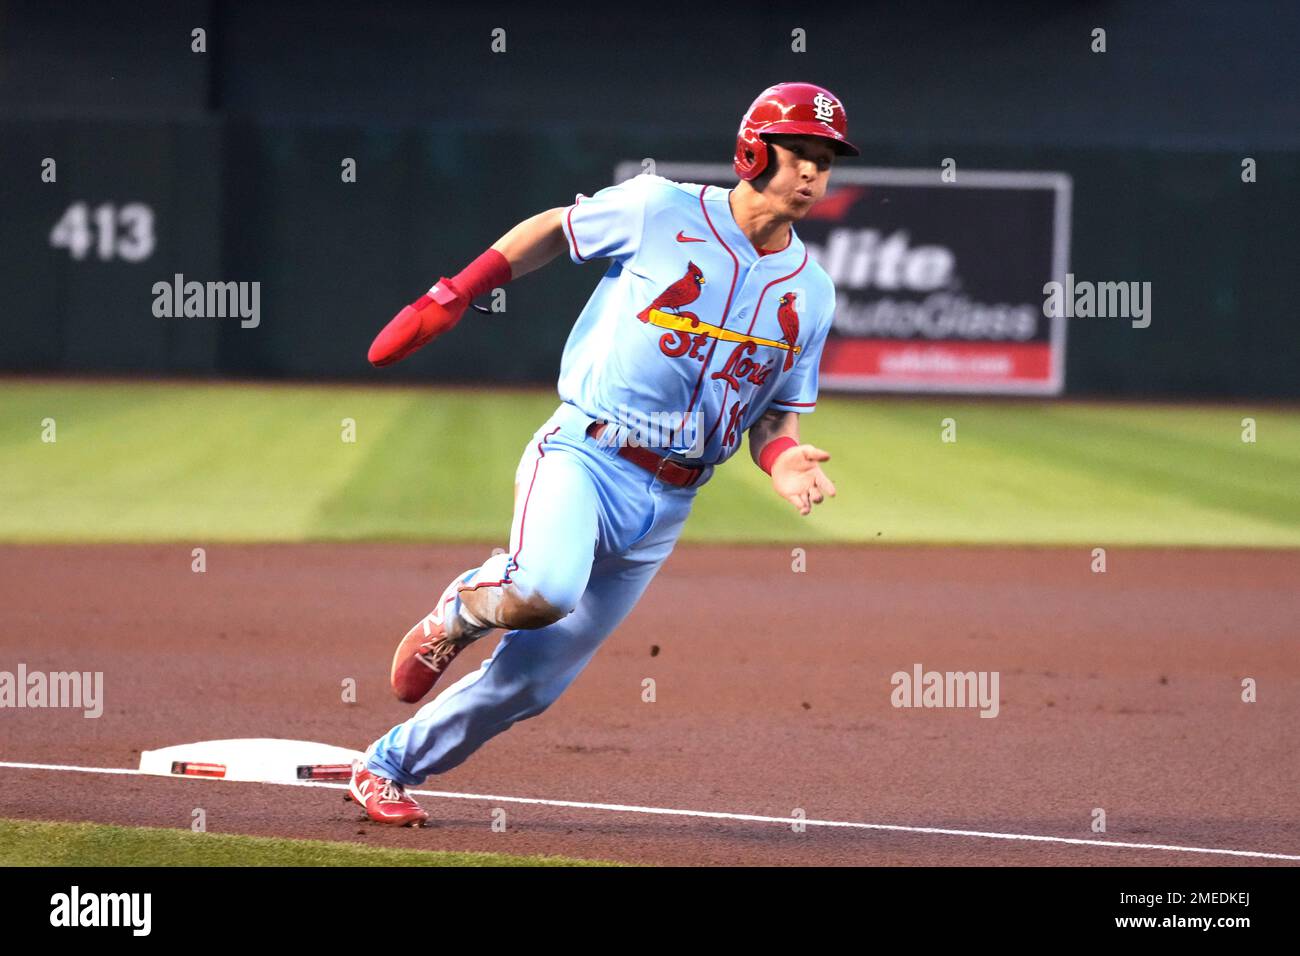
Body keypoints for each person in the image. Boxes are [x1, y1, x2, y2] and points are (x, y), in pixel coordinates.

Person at [348, 82, 857, 825]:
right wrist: (456, 292)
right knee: (546, 587)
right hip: (587, 453)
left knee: (534, 684)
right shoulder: (662, 209)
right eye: (799, 152)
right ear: (753, 151)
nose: (813, 172)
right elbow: (556, 228)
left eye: (826, 160)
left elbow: (775, 416)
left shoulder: (811, 292)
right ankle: (460, 610)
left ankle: (387, 766)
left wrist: (781, 459)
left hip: (669, 503)